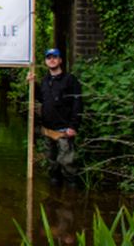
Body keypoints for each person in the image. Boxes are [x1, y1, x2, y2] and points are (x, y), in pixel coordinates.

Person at [29, 48, 83, 183]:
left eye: (54, 57)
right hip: (48, 129)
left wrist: (73, 126)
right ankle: (55, 193)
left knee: (67, 163)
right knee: (52, 164)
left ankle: (72, 193)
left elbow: (78, 104)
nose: (51, 60)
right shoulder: (45, 80)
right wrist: (31, 84)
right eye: (49, 58)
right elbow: (42, 99)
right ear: (46, 61)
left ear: (60, 60)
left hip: (64, 129)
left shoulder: (70, 80)